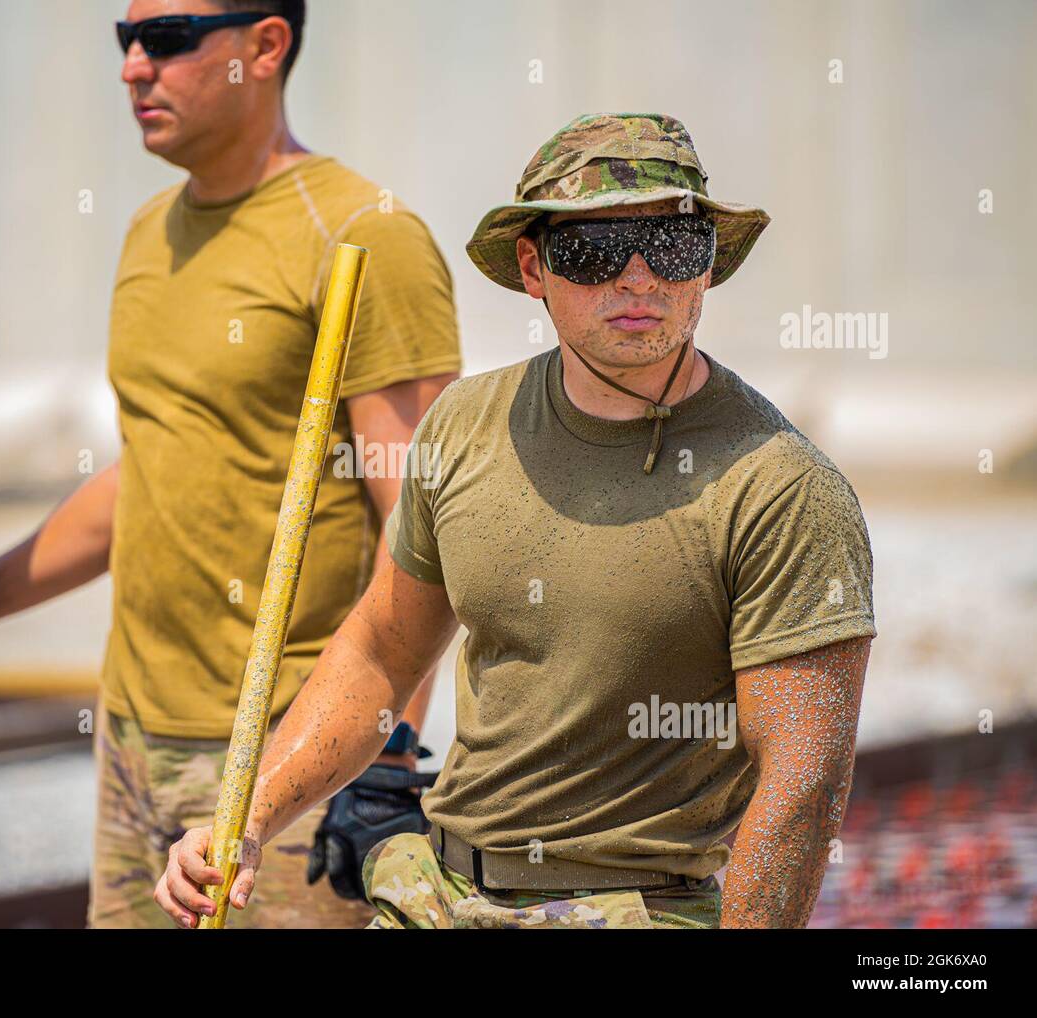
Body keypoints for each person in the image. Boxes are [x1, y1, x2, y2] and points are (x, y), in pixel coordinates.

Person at [156, 113, 877, 929]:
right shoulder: (466, 424)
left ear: (708, 265)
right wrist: (246, 818)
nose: (640, 278)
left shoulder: (780, 485)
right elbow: (381, 652)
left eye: (672, 245)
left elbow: (802, 784)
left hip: (633, 909)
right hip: (434, 893)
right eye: (597, 251)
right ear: (533, 266)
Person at [0, 0, 461, 928]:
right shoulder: (149, 233)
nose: (132, 69)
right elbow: (151, 475)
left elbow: (425, 530)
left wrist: (385, 758)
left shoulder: (364, 235)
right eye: (125, 41)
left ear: (265, 46)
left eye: (164, 40)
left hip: (280, 760)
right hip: (130, 745)